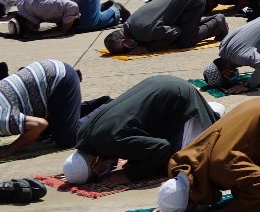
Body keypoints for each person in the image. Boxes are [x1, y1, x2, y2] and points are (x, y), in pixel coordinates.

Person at [153, 96, 260, 212]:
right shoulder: (184, 162)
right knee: (244, 180)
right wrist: (170, 201)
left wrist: (228, 211)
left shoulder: (222, 167)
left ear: (191, 201)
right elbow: (178, 188)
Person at [66, 75, 219, 187]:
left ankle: (210, 113)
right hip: (159, 85)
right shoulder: (82, 134)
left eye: (97, 172)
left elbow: (161, 148)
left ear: (95, 162)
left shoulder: (108, 141)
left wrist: (130, 175)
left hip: (179, 98)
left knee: (174, 165)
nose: (103, 172)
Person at [103, 0, 229, 56]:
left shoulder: (143, 33)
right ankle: (212, 23)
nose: (129, 50)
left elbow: (176, 32)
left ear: (125, 40)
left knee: (185, 41)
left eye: (126, 49)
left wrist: (149, 48)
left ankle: (217, 23)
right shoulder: (130, 25)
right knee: (184, 33)